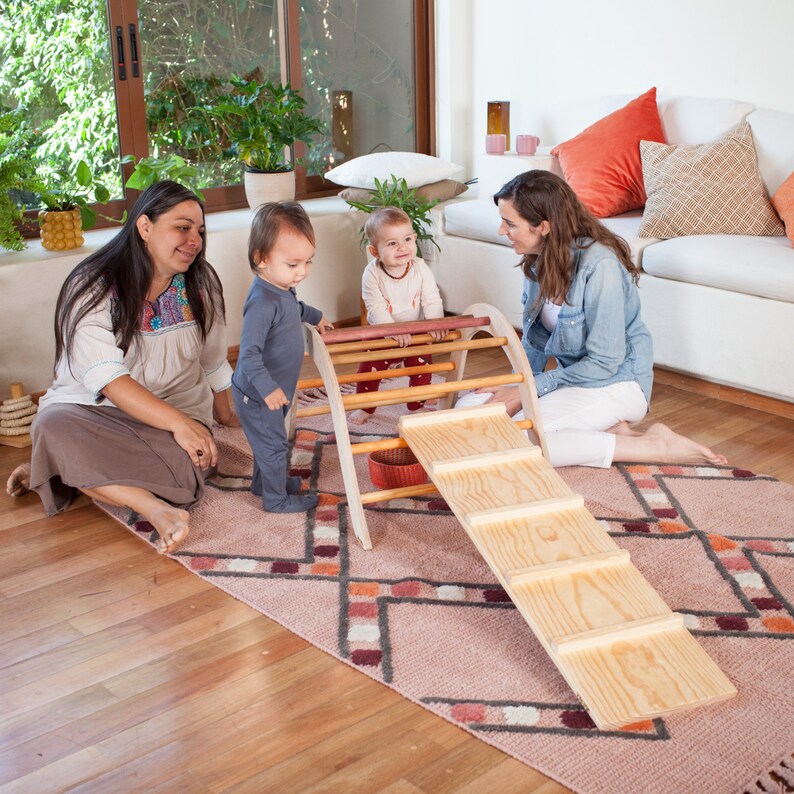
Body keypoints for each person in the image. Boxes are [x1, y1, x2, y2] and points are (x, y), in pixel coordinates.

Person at [5, 181, 239, 553]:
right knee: (50, 425)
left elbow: (212, 358)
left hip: (172, 419)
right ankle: (151, 507)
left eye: (199, 230)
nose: (194, 239)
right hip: (96, 414)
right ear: (145, 227)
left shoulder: (201, 283)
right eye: (182, 227)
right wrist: (179, 426)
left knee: (186, 471)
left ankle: (58, 466)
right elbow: (110, 381)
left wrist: (224, 416)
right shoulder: (93, 285)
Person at [456, 170, 727, 468]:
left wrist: (530, 390)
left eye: (510, 224)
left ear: (543, 226)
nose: (501, 231)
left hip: (616, 383)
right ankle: (618, 433)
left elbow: (604, 363)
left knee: (516, 439)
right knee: (469, 411)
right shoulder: (536, 260)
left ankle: (655, 448)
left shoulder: (600, 266)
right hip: (572, 381)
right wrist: (516, 385)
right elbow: (534, 343)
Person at [232, 201, 334, 513]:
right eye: (293, 264)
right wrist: (266, 387)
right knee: (274, 445)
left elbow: (296, 309)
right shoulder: (262, 302)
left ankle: (265, 484)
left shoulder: (281, 289)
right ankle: (276, 500)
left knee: (271, 443)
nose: (302, 271)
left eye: (307, 262)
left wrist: (316, 317)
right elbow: (248, 353)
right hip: (259, 395)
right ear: (261, 259)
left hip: (274, 390)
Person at [349, 206, 445, 425]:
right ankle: (366, 407)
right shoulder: (372, 274)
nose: (403, 247)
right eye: (392, 243)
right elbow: (375, 308)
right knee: (369, 371)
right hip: (381, 332)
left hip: (414, 330)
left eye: (408, 239)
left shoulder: (421, 268)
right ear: (375, 251)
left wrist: (435, 322)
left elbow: (431, 298)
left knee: (422, 367)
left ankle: (416, 405)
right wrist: (392, 330)